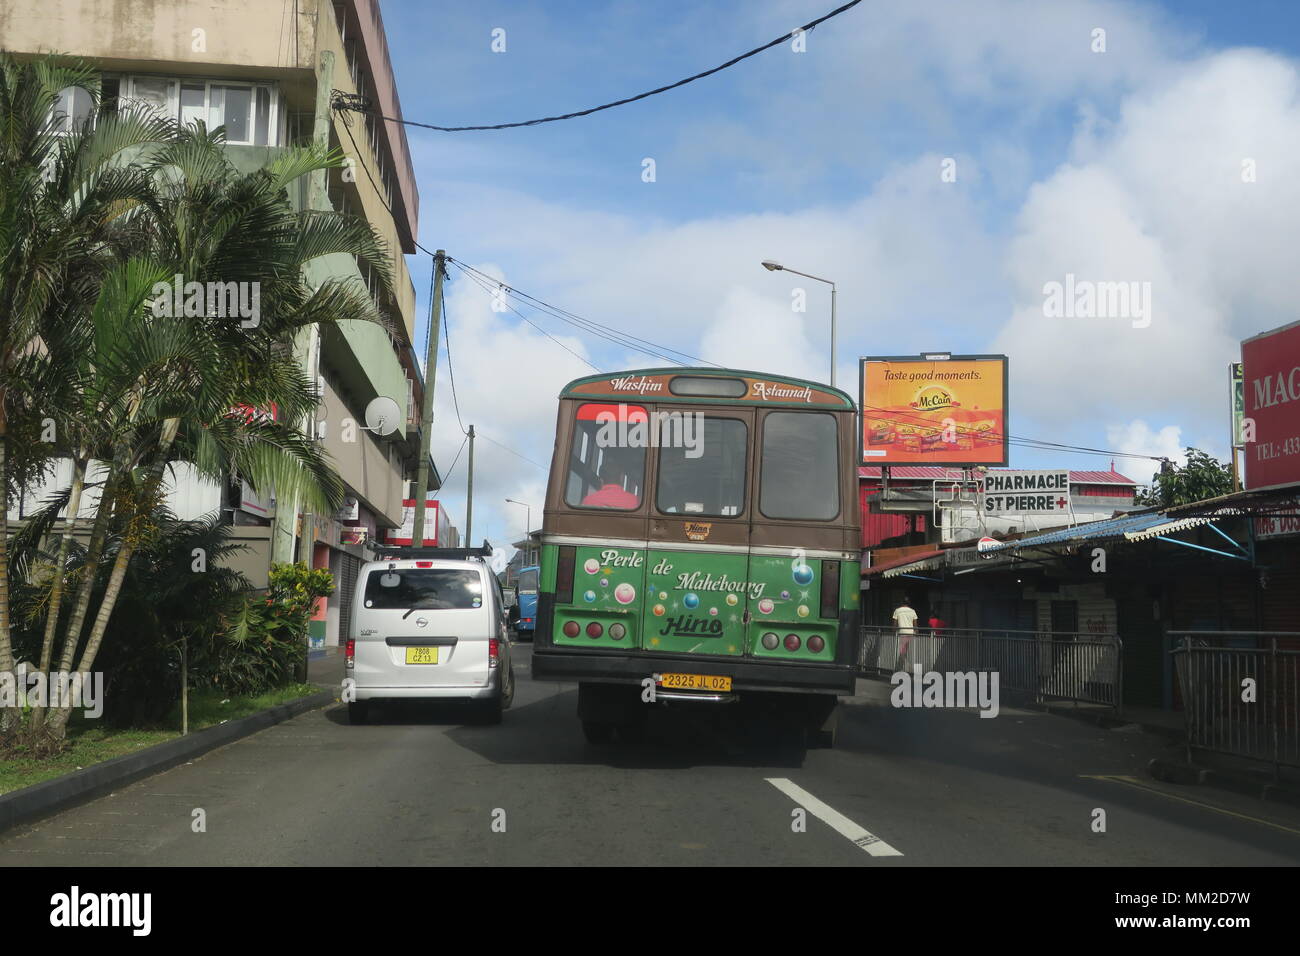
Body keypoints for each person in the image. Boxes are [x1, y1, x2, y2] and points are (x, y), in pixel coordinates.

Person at [892, 597, 918, 671]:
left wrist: (893, 632)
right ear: (909, 603)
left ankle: (905, 667)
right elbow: (915, 625)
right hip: (911, 633)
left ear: (901, 602)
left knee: (902, 651)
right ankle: (909, 668)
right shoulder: (912, 611)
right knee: (910, 652)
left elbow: (894, 625)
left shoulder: (897, 610)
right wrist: (917, 634)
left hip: (902, 633)